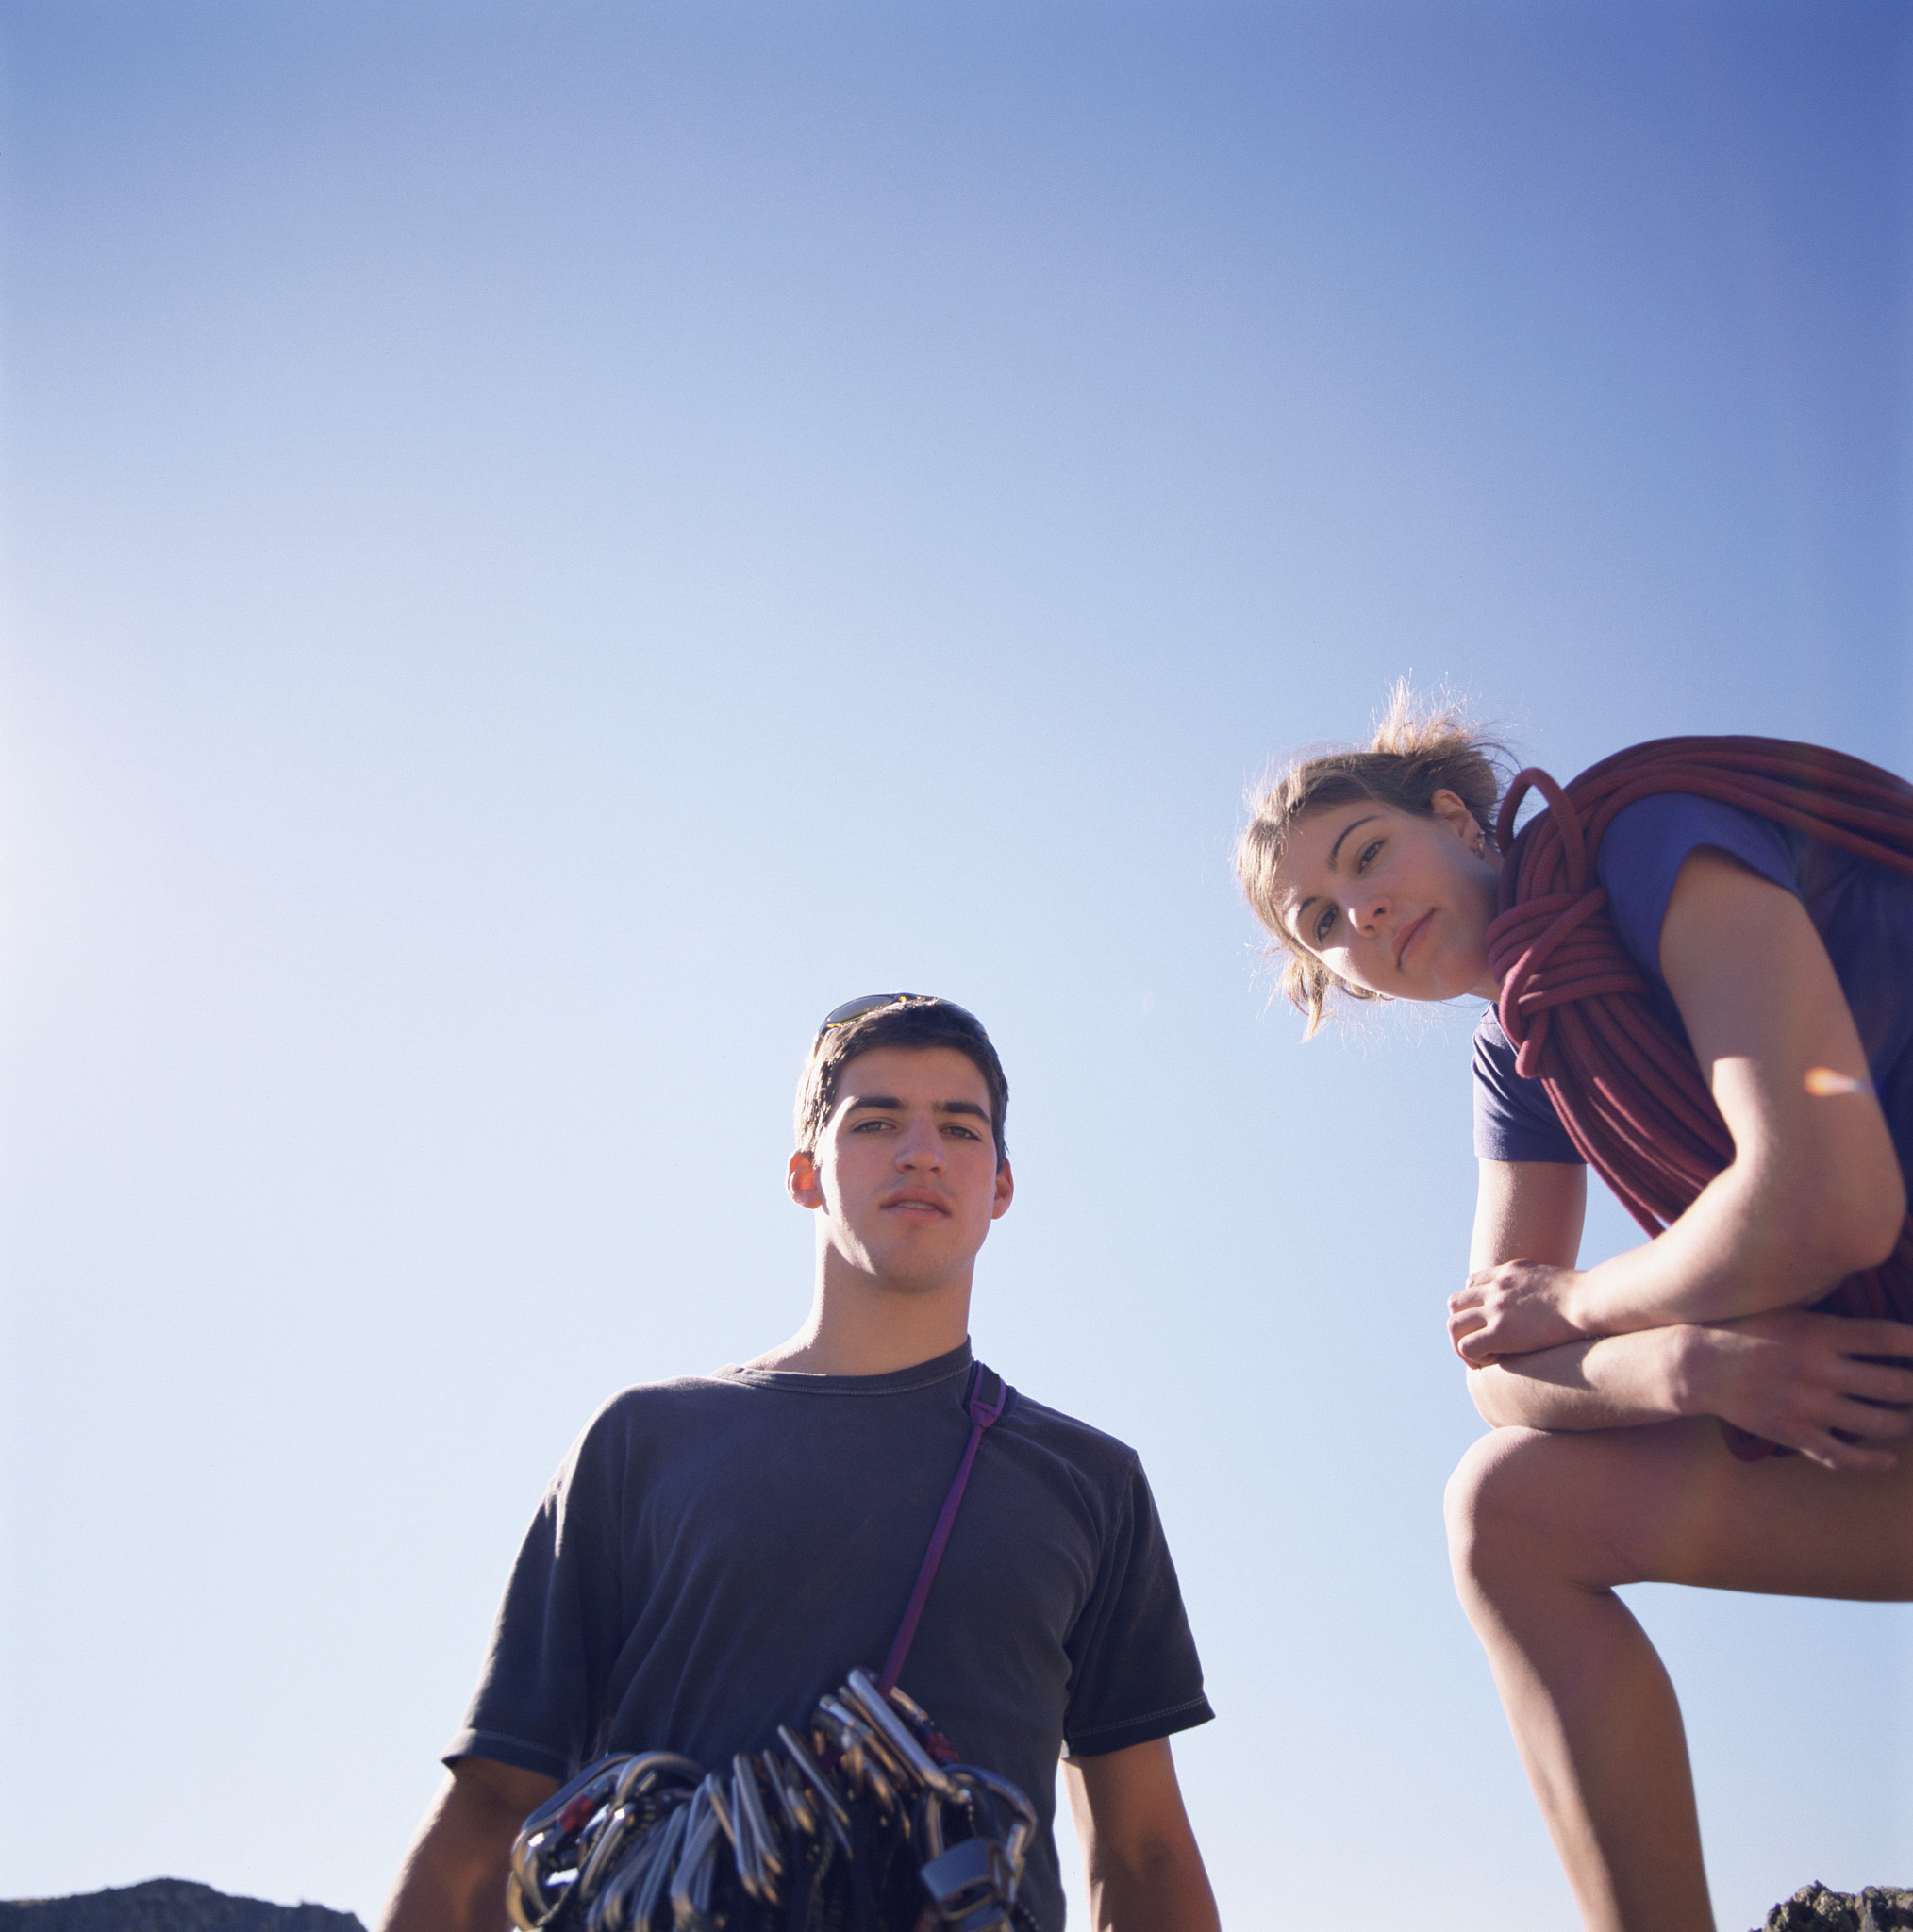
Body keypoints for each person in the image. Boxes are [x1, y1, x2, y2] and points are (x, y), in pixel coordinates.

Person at [1234, 697, 1913, 1932]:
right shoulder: (1525, 1045)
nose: (1360, 916)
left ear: (1455, 817)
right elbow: (1501, 1368)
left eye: (1367, 857)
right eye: (1321, 923)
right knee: (1503, 1512)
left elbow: (1828, 1199)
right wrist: (1699, 1369)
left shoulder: (1642, 839)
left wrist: (1592, 1300)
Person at [376, 993, 1220, 1932]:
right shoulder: (642, 1441)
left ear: (1002, 1184)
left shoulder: (1090, 1482)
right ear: (803, 1173)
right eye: (875, 1120)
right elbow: (494, 1800)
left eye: (959, 1125)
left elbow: (1143, 1849)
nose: (921, 1151)